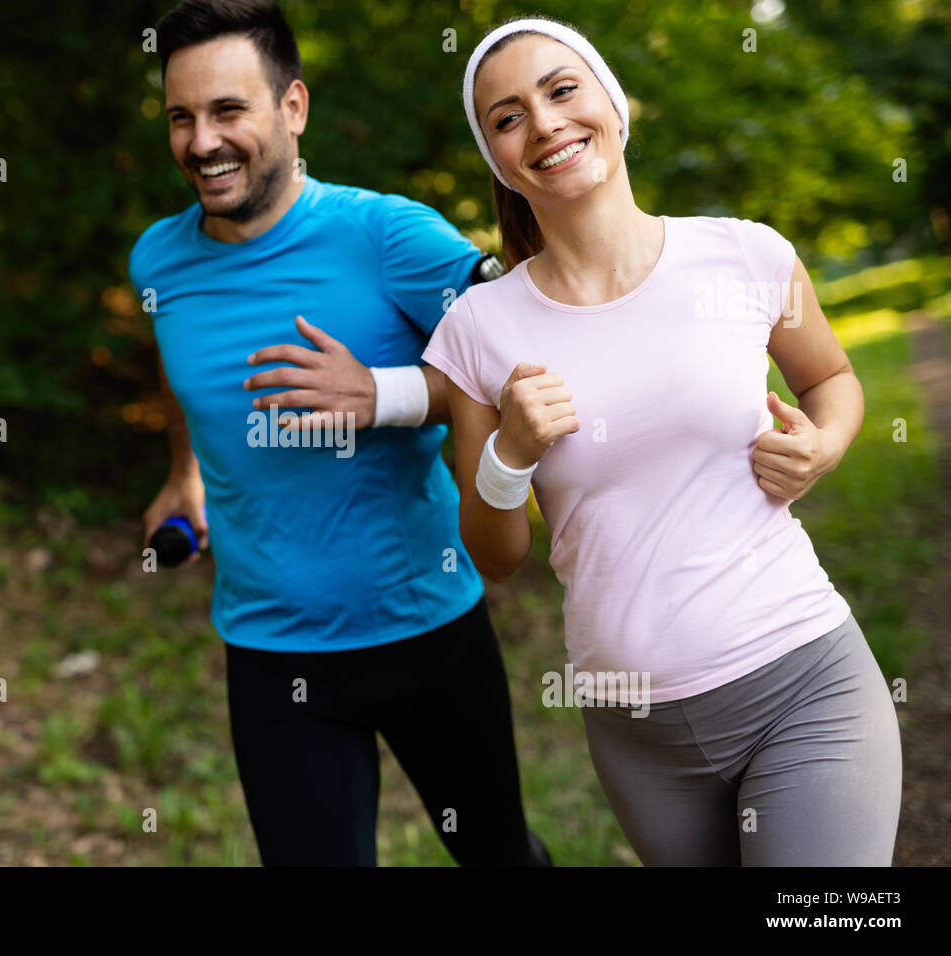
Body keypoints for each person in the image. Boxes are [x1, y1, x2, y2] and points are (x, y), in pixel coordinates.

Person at [423, 16, 902, 866]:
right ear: (496, 157)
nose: (543, 124)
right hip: (634, 726)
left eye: (562, 89)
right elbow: (494, 555)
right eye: (507, 117)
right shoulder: (477, 332)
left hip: (803, 679)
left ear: (612, 101)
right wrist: (511, 457)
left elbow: (833, 380)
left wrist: (823, 446)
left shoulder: (745, 257)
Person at [128, 0, 549, 866]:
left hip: (428, 628)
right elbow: (181, 373)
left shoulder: (387, 235)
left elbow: (523, 362)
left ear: (292, 107)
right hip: (272, 654)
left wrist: (382, 393)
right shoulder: (157, 262)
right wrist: (185, 473)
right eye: (182, 116)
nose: (202, 141)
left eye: (228, 110)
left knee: (500, 860)